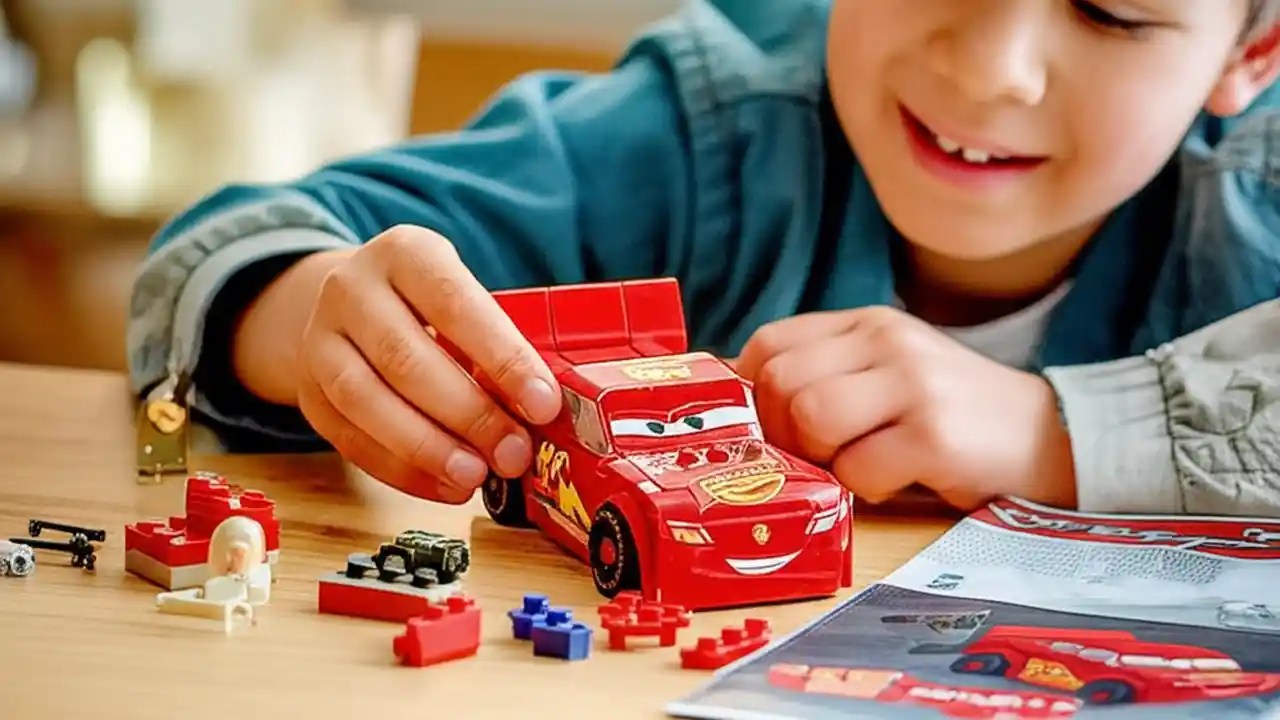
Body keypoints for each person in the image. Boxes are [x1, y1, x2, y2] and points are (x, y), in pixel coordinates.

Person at [127, 0, 1280, 517]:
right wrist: (309, 319)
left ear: (1252, 51)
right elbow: (221, 253)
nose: (987, 67)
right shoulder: (709, 124)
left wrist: (1051, 435)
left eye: (1109, 11)